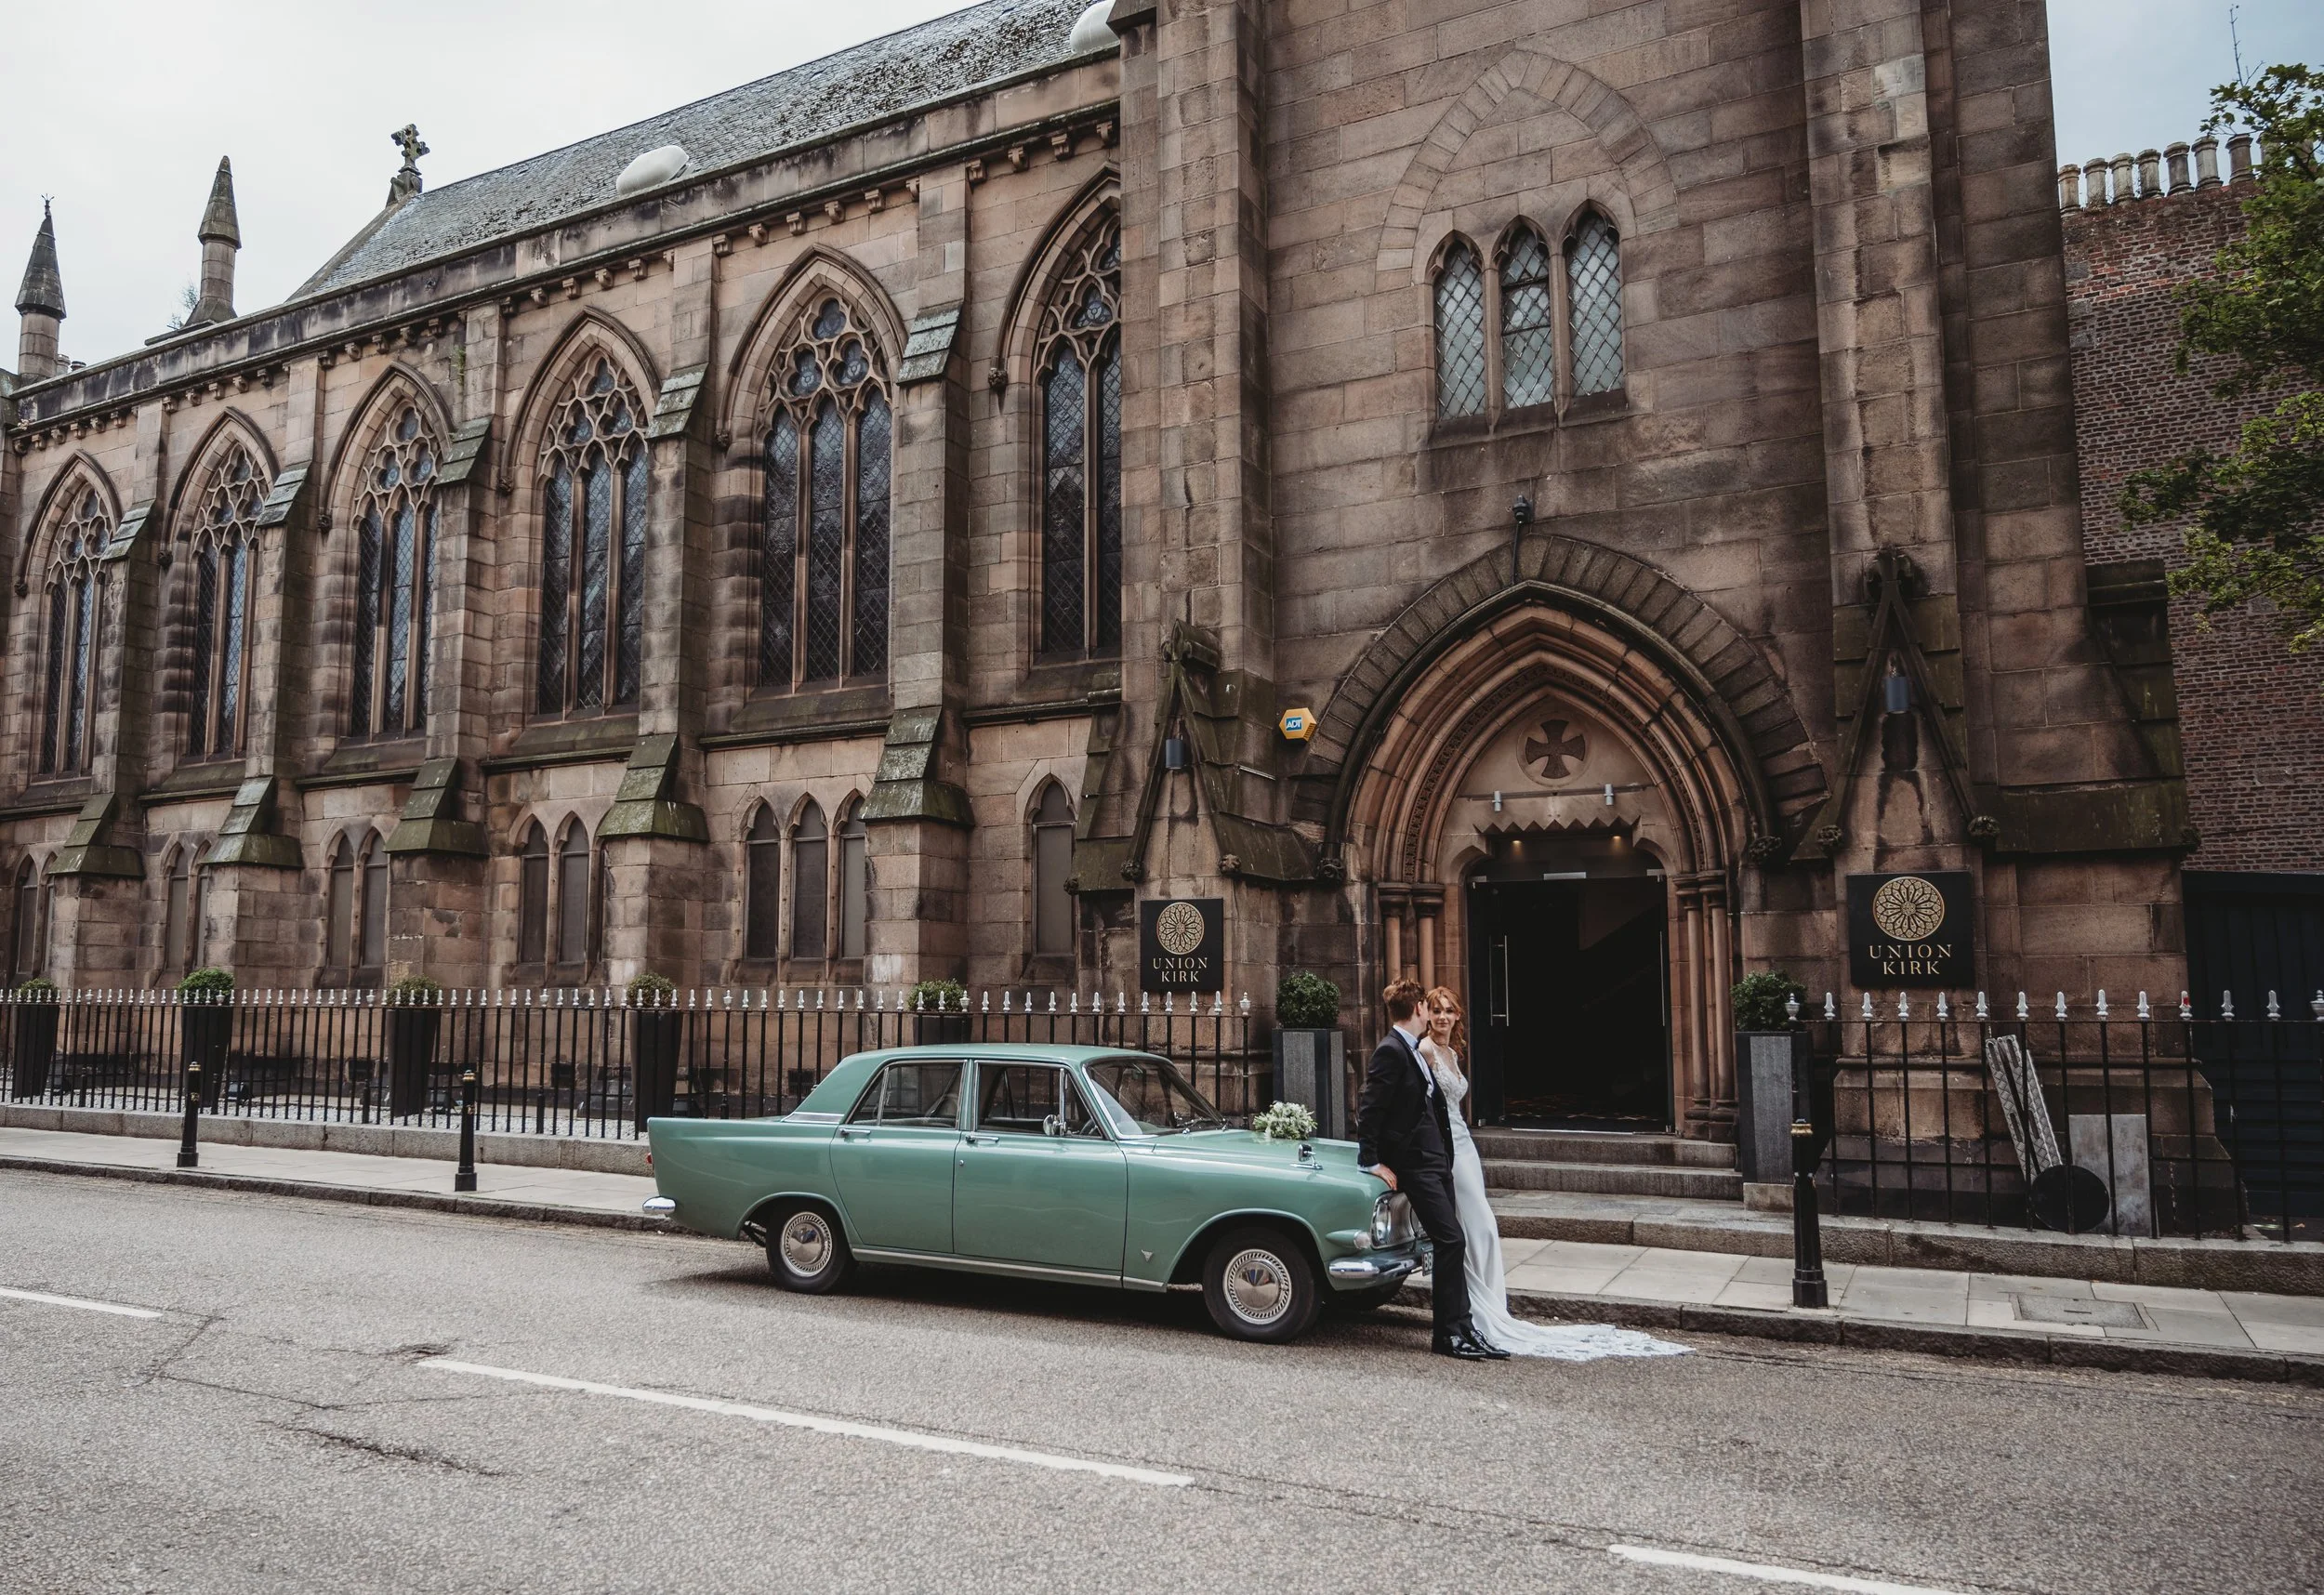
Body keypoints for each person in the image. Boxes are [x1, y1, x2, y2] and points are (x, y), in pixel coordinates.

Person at [1420, 985, 1689, 1363]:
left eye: (1449, 1010)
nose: (1443, 1017)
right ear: (1427, 1015)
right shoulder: (1426, 1051)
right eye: (1436, 1011)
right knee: (1472, 1227)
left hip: (1466, 1144)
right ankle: (1474, 1310)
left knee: (1482, 1226)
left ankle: (1488, 1306)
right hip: (1449, 1150)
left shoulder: (1451, 1051)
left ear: (1458, 1015)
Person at [1356, 978, 1507, 1360]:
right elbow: (1370, 1107)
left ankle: (1464, 1327)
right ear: (1419, 1010)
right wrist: (1371, 1160)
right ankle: (1446, 1335)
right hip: (1415, 1164)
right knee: (1451, 1240)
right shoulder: (1393, 1050)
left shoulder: (1411, 1050)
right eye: (1428, 1006)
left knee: (1453, 1240)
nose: (1434, 1013)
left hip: (1439, 1159)